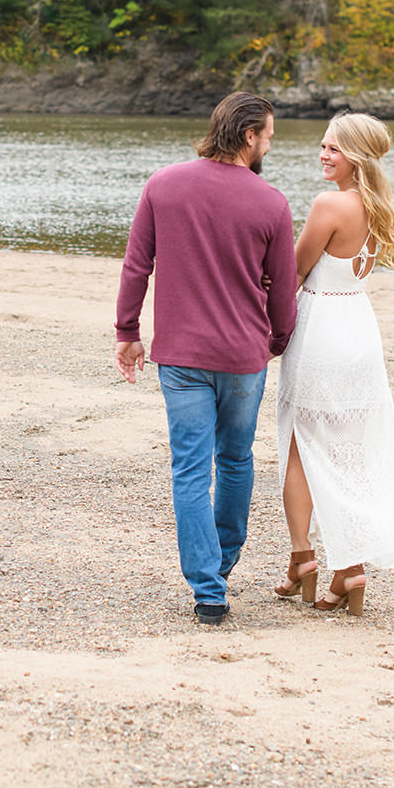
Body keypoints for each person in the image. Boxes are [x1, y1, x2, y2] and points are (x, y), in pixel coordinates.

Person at [115, 92, 298, 626]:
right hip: (244, 356)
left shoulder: (163, 185)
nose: (269, 144)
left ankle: (208, 588)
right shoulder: (271, 202)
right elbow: (283, 293)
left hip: (183, 357)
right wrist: (278, 341)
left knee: (190, 468)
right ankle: (223, 563)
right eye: (268, 135)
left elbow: (136, 266)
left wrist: (128, 331)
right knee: (236, 459)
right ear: (249, 136)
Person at [273, 111, 394, 616]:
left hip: (322, 328)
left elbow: (293, 272)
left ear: (354, 155)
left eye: (333, 147)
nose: (323, 153)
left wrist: (265, 329)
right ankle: (348, 570)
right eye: (323, 145)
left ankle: (303, 558)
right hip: (359, 328)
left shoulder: (329, 204)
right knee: (346, 451)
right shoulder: (379, 206)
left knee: (299, 446)